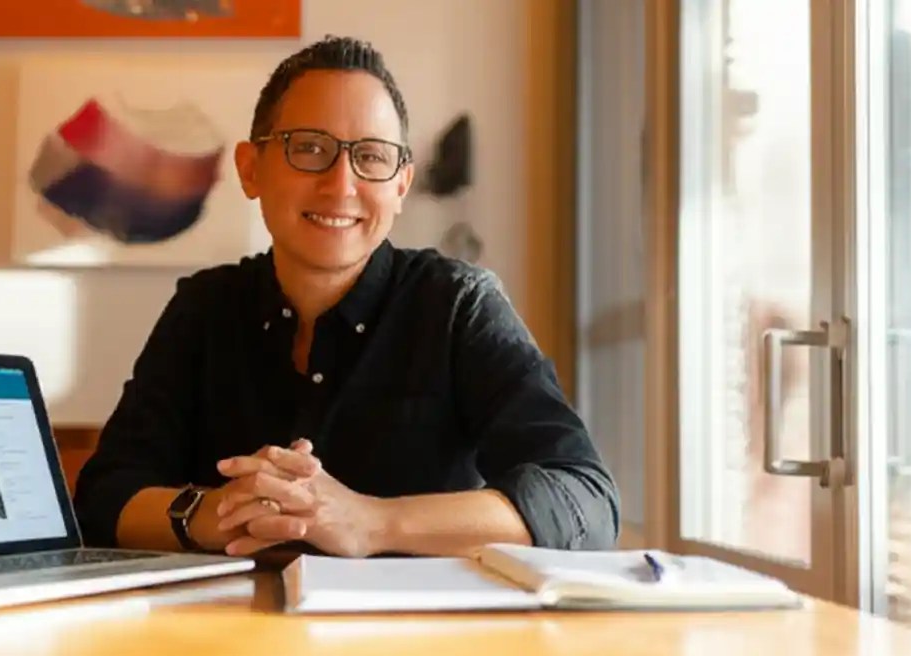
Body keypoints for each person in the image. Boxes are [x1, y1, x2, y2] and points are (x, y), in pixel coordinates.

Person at [73, 35, 619, 558]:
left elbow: (582, 500)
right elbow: (105, 497)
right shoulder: (204, 308)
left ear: (401, 184)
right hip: (229, 638)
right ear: (250, 168)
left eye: (372, 156)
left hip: (426, 644)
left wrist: (371, 521)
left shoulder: (457, 305)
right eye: (309, 148)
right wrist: (213, 513)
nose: (341, 184)